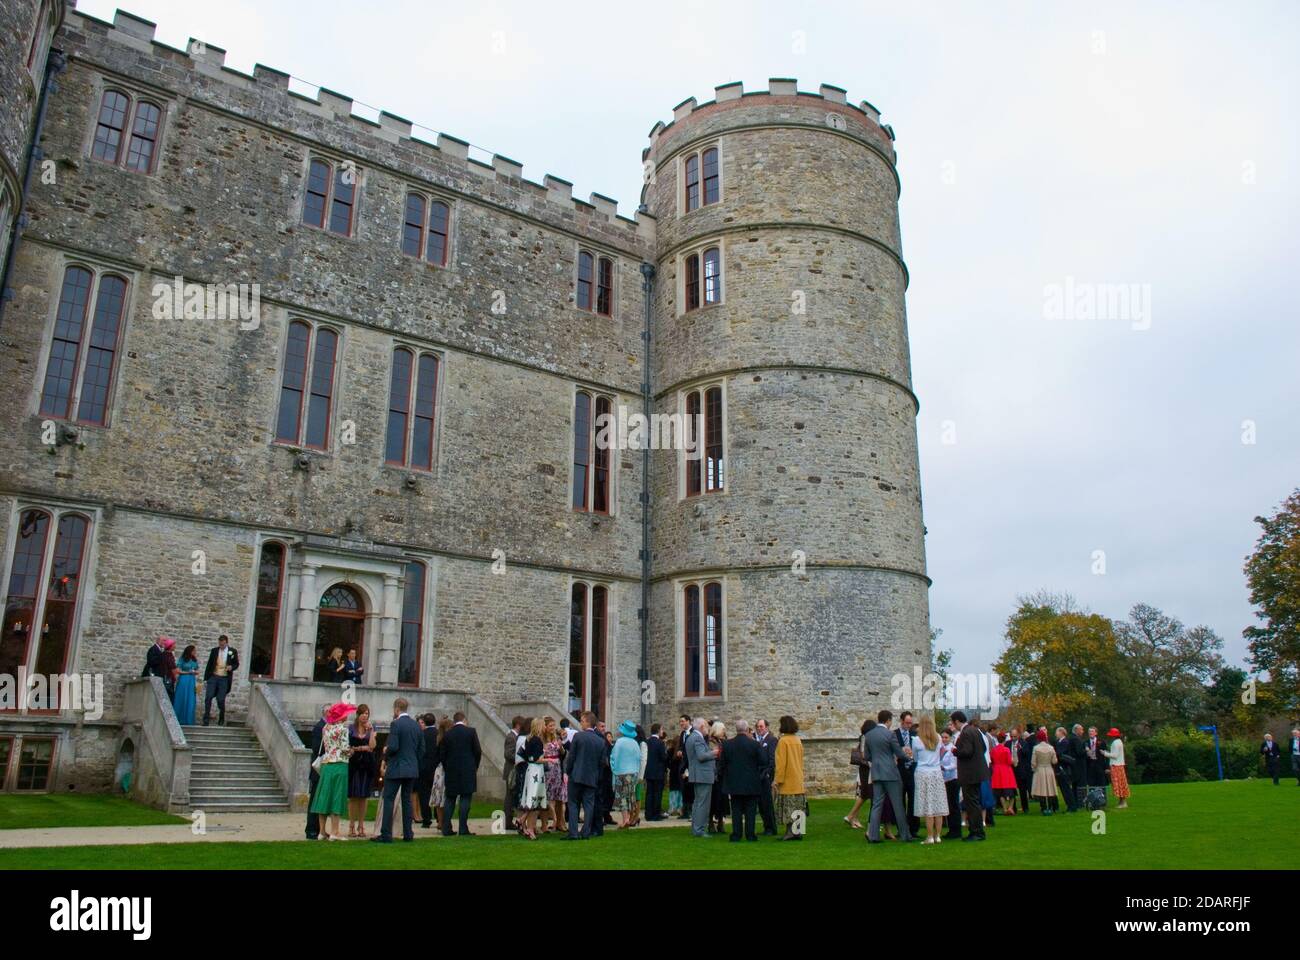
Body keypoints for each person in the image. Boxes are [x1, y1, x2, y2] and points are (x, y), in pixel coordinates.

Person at [373, 697, 422, 843]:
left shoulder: (396, 724)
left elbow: (393, 746)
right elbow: (421, 749)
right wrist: (414, 761)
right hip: (411, 768)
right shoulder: (416, 726)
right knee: (407, 800)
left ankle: (386, 834)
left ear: (396, 709)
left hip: (396, 767)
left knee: (388, 799)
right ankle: (408, 833)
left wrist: (386, 752)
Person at [309, 701, 355, 840]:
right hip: (339, 764)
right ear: (341, 716)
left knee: (323, 796)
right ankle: (335, 832)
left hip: (326, 764)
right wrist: (351, 751)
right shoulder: (343, 729)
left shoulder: (326, 728)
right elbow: (345, 748)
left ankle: (322, 831)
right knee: (337, 796)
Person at [864, 709, 911, 843]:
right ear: (888, 720)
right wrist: (909, 758)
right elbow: (899, 753)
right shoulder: (890, 734)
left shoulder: (869, 735)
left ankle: (873, 836)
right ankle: (905, 835)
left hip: (876, 773)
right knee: (898, 805)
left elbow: (867, 756)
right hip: (891, 773)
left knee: (877, 805)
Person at [564, 711, 609, 839]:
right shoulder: (600, 741)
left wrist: (568, 771)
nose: (581, 723)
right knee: (589, 805)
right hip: (591, 777)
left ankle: (573, 832)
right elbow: (602, 762)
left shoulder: (578, 737)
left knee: (573, 804)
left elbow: (572, 757)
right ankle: (585, 832)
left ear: (588, 722)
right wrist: (597, 776)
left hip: (577, 775)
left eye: (582, 721)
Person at [438, 711, 481, 836]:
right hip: (467, 769)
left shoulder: (447, 734)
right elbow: (477, 751)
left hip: (451, 770)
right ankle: (463, 828)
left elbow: (442, 755)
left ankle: (446, 828)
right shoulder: (471, 732)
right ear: (464, 720)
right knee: (465, 798)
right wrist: (474, 766)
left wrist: (447, 767)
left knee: (450, 799)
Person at [720, 719, 764, 842]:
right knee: (750, 810)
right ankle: (750, 835)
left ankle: (736, 834)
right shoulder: (754, 744)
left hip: (734, 783)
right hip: (751, 782)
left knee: (736, 810)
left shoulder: (727, 744)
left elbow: (722, 764)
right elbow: (763, 761)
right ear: (746, 729)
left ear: (736, 729)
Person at [910, 714, 947, 844]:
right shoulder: (938, 738)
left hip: (923, 772)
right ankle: (937, 836)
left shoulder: (916, 740)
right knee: (938, 804)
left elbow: (915, 757)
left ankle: (930, 836)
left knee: (928, 806)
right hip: (936, 772)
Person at [952, 711, 987, 841]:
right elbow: (983, 748)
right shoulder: (975, 730)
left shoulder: (965, 732)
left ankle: (976, 832)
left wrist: (955, 751)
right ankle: (977, 830)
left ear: (956, 721)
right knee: (975, 802)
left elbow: (966, 751)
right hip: (977, 771)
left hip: (969, 773)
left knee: (971, 803)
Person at [347, 704, 377, 837]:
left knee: (363, 797)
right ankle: (351, 825)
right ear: (358, 715)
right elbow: (348, 746)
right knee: (353, 796)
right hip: (354, 764)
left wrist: (371, 733)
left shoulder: (370, 728)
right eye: (363, 713)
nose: (365, 716)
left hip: (366, 764)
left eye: (367, 713)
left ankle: (361, 825)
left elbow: (372, 747)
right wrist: (358, 748)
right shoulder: (351, 728)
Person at [773, 715, 806, 841]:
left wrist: (777, 780)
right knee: (798, 807)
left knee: (788, 807)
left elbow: (781, 763)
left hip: (788, 780)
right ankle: (798, 831)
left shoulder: (783, 741)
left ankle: (790, 832)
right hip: (798, 779)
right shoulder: (798, 740)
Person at [686, 717, 718, 837]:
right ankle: (699, 830)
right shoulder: (698, 738)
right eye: (706, 725)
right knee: (702, 804)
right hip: (702, 775)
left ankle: (696, 828)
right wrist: (714, 753)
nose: (708, 728)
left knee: (698, 802)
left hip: (697, 774)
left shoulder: (692, 737)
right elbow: (701, 756)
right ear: (702, 726)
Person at [516, 717, 548, 839]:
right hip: (536, 770)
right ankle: (529, 828)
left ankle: (523, 821)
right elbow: (536, 759)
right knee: (534, 800)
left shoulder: (528, 739)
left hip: (530, 769)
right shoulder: (537, 740)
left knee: (533, 799)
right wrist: (550, 759)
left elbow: (524, 754)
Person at [609, 720, 641, 829]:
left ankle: (625, 819)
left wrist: (614, 769)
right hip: (633, 773)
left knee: (622, 796)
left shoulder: (620, 742)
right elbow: (638, 759)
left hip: (621, 772)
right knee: (630, 796)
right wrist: (636, 772)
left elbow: (614, 757)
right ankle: (629, 818)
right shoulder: (635, 743)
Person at [202, 635, 239, 726]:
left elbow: (236, 664)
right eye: (220, 644)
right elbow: (209, 664)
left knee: (220, 699)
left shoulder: (232, 651)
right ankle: (206, 719)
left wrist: (231, 667)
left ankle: (221, 717)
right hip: (213, 677)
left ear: (226, 643)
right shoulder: (214, 651)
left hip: (224, 678)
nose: (221, 646)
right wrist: (206, 678)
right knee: (208, 697)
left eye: (223, 644)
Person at [843, 718, 872, 830]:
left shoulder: (863, 737)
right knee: (863, 794)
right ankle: (852, 817)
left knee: (862, 794)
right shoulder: (865, 738)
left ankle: (854, 818)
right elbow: (864, 755)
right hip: (865, 769)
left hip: (864, 769)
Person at [894, 710, 920, 834]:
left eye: (910, 723)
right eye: (906, 723)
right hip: (900, 768)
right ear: (901, 721)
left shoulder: (914, 734)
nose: (908, 726)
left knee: (914, 799)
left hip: (913, 769)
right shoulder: (894, 734)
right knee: (900, 800)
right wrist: (901, 751)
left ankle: (914, 828)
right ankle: (902, 828)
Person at [305, 704, 328, 840]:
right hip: (318, 769)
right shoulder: (319, 727)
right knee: (315, 799)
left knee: (320, 800)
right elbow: (316, 749)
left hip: (324, 768)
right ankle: (311, 829)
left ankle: (319, 829)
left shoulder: (325, 728)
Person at [754, 718, 778, 835]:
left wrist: (768, 773)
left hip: (766, 775)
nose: (759, 729)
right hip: (758, 776)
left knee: (767, 803)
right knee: (761, 804)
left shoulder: (772, 740)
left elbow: (772, 759)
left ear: (767, 727)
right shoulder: (756, 740)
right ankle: (766, 826)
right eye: (758, 727)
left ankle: (771, 828)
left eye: (761, 726)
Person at [415, 713, 439, 827]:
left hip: (423, 768)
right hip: (436, 768)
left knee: (424, 795)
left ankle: (426, 819)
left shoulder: (421, 734)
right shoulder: (438, 734)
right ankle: (439, 817)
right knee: (438, 792)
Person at [1030, 728, 1058, 814]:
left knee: (1041, 789)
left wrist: (1034, 768)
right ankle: (1050, 807)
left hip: (1040, 769)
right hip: (1049, 769)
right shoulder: (1051, 748)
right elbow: (1054, 761)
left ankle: (1043, 808)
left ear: (1038, 738)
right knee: (1049, 789)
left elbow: (1033, 762)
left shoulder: (1036, 748)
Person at [939, 728, 961, 838]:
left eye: (946, 737)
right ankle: (951, 829)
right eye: (942, 737)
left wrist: (944, 768)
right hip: (944, 779)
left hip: (953, 779)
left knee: (954, 805)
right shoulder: (941, 748)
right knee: (949, 805)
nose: (944, 739)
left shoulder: (953, 748)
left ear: (950, 738)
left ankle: (956, 830)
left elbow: (954, 764)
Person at [644, 723, 668, 821]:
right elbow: (663, 757)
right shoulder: (660, 743)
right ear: (658, 730)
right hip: (658, 772)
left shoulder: (647, 741)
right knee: (657, 794)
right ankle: (655, 814)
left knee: (649, 794)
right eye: (662, 729)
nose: (662, 731)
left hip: (649, 771)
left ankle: (648, 814)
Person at [503, 716, 523, 831]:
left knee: (512, 795)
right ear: (518, 725)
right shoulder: (511, 737)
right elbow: (508, 754)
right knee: (510, 796)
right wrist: (520, 758)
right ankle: (508, 821)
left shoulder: (516, 737)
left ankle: (510, 820)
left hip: (514, 770)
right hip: (511, 770)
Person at [708, 721, 729, 833]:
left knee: (722, 799)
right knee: (713, 799)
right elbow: (713, 754)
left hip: (722, 774)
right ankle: (711, 822)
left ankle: (721, 821)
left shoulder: (723, 741)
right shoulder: (711, 742)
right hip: (714, 774)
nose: (724, 732)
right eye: (723, 729)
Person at [430, 717, 451, 827]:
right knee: (444, 796)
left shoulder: (438, 739)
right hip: (444, 770)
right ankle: (443, 821)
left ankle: (440, 821)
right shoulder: (446, 740)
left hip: (438, 770)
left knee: (438, 797)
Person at [989, 734, 1017, 815]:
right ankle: (1010, 808)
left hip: (997, 770)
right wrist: (1013, 761)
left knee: (1000, 791)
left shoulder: (994, 750)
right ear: (1004, 740)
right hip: (1006, 770)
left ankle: (1005, 808)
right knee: (1011, 790)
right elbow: (1009, 761)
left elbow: (992, 759)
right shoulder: (1006, 749)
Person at [1103, 727, 1129, 808]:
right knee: (1121, 784)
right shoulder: (1119, 742)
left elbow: (1115, 755)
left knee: (1119, 784)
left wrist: (1105, 753)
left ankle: (1123, 802)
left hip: (1116, 765)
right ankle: (1121, 802)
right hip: (1119, 765)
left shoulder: (1115, 743)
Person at [173, 645, 199, 725]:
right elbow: (178, 670)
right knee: (181, 697)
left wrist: (195, 672)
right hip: (184, 680)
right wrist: (188, 672)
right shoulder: (183, 659)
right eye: (194, 651)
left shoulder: (194, 660)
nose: (195, 652)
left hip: (191, 681)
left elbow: (197, 669)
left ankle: (189, 720)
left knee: (190, 699)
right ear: (189, 651)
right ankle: (178, 718)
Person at [1054, 727, 1078, 812]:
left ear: (1061, 732)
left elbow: (1060, 754)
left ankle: (1072, 806)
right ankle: (1069, 805)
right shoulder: (1058, 742)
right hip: (1060, 768)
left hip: (1064, 768)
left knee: (1066, 788)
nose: (1055, 734)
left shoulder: (1065, 742)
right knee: (1063, 788)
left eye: (1057, 732)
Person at [1085, 726, 1109, 802]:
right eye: (1089, 731)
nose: (1090, 733)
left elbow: (1106, 755)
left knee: (1101, 782)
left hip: (1100, 765)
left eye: (1092, 731)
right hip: (1090, 765)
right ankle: (1093, 801)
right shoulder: (1085, 742)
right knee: (1091, 783)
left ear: (1096, 733)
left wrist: (1107, 767)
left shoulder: (1102, 742)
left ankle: (1103, 800)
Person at [1014, 727, 1034, 813]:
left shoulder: (1024, 743)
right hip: (1012, 769)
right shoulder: (1008, 743)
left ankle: (1025, 807)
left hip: (1021, 768)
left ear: (1018, 735)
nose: (1013, 738)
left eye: (1014, 736)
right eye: (1011, 736)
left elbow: (1027, 753)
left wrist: (1021, 748)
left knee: (1022, 789)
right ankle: (1013, 807)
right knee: (1013, 790)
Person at [666, 734, 683, 817]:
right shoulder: (681, 752)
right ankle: (680, 808)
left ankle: (672, 808)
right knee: (680, 791)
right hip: (680, 773)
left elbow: (667, 763)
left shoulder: (670, 751)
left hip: (673, 773)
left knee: (673, 791)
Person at [161, 638, 178, 702]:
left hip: (164, 677)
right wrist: (176, 678)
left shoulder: (163, 654)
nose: (175, 646)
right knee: (169, 697)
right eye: (174, 645)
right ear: (170, 646)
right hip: (168, 678)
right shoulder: (169, 655)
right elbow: (172, 668)